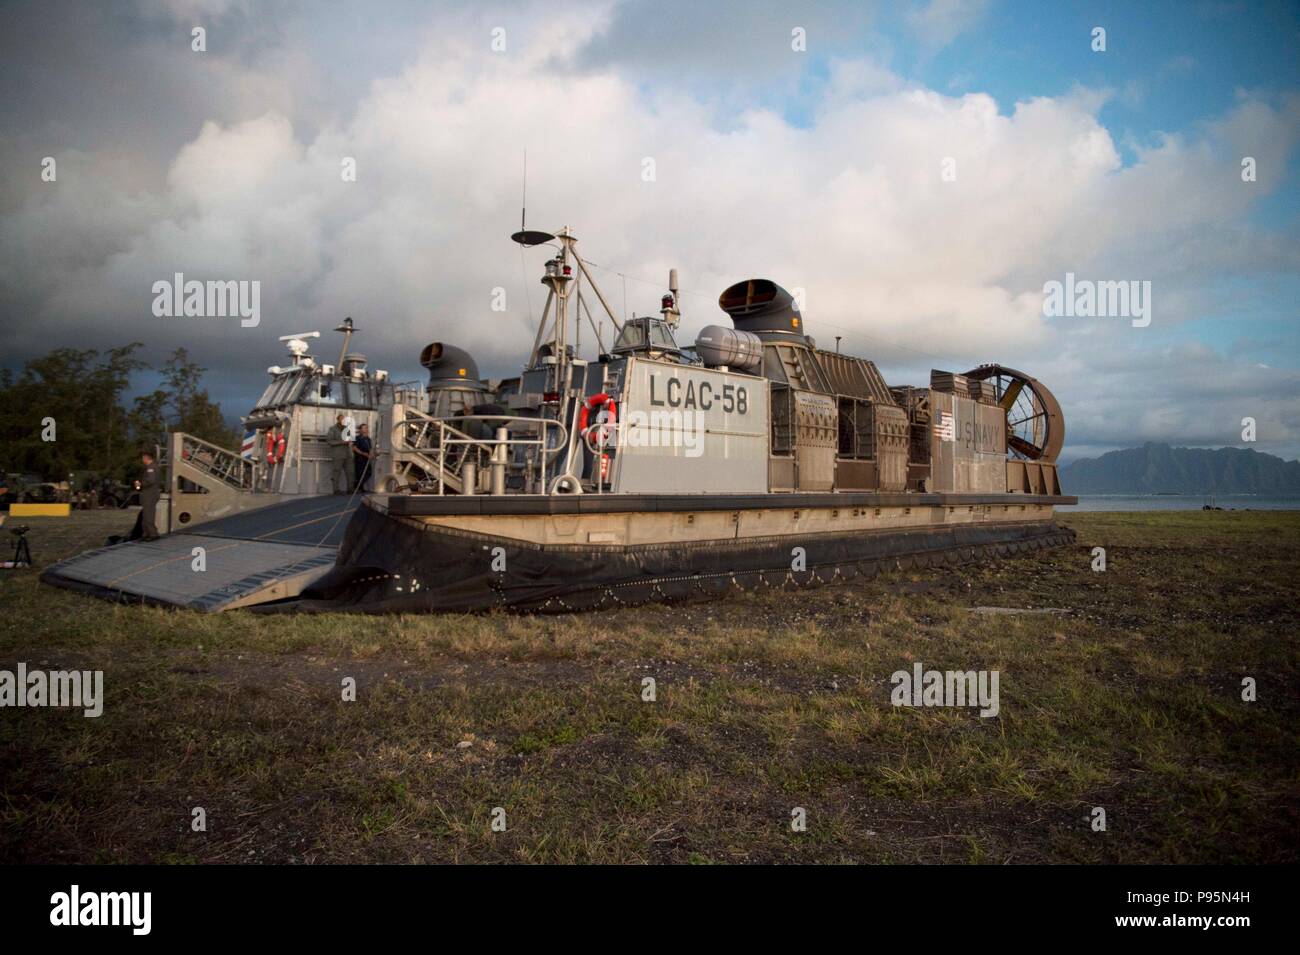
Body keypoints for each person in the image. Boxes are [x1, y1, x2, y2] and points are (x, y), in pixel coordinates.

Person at [129, 450, 161, 541]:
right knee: (146, 514)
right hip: (149, 494)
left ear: (146, 458)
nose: (142, 460)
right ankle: (146, 533)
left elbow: (151, 480)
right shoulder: (153, 467)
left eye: (143, 458)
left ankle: (153, 534)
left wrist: (140, 484)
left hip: (150, 494)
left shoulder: (151, 468)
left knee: (149, 514)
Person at [326, 413, 352, 494]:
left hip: (347, 453)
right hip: (337, 454)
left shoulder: (347, 429)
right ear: (338, 420)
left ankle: (350, 489)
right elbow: (329, 441)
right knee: (337, 472)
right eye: (342, 419)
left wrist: (349, 441)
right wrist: (341, 442)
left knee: (350, 471)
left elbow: (349, 439)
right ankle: (336, 490)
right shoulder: (332, 429)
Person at [352, 422, 373, 493]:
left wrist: (370, 454)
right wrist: (363, 453)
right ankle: (358, 487)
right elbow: (354, 448)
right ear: (360, 430)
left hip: (366, 458)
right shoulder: (357, 438)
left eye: (367, 428)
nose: (366, 429)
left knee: (369, 472)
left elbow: (369, 448)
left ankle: (359, 485)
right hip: (359, 458)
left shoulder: (368, 439)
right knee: (360, 473)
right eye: (364, 428)